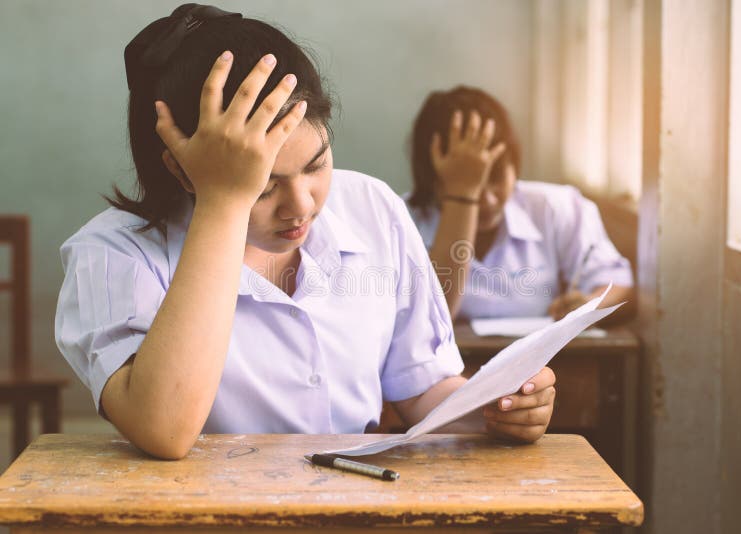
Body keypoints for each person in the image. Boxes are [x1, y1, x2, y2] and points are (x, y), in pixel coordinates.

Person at [54, 5, 556, 460]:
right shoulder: (111, 254)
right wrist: (223, 202)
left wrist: (495, 409)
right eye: (264, 186)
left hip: (359, 501)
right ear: (183, 171)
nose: (301, 206)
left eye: (316, 165)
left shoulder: (372, 207)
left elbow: (422, 388)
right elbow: (163, 428)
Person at [405, 86, 635, 321]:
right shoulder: (401, 221)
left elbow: (616, 281)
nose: (487, 199)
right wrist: (462, 197)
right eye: (470, 181)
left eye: (496, 178)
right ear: (430, 178)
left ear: (514, 165)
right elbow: (433, 317)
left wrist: (589, 306)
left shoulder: (555, 207)